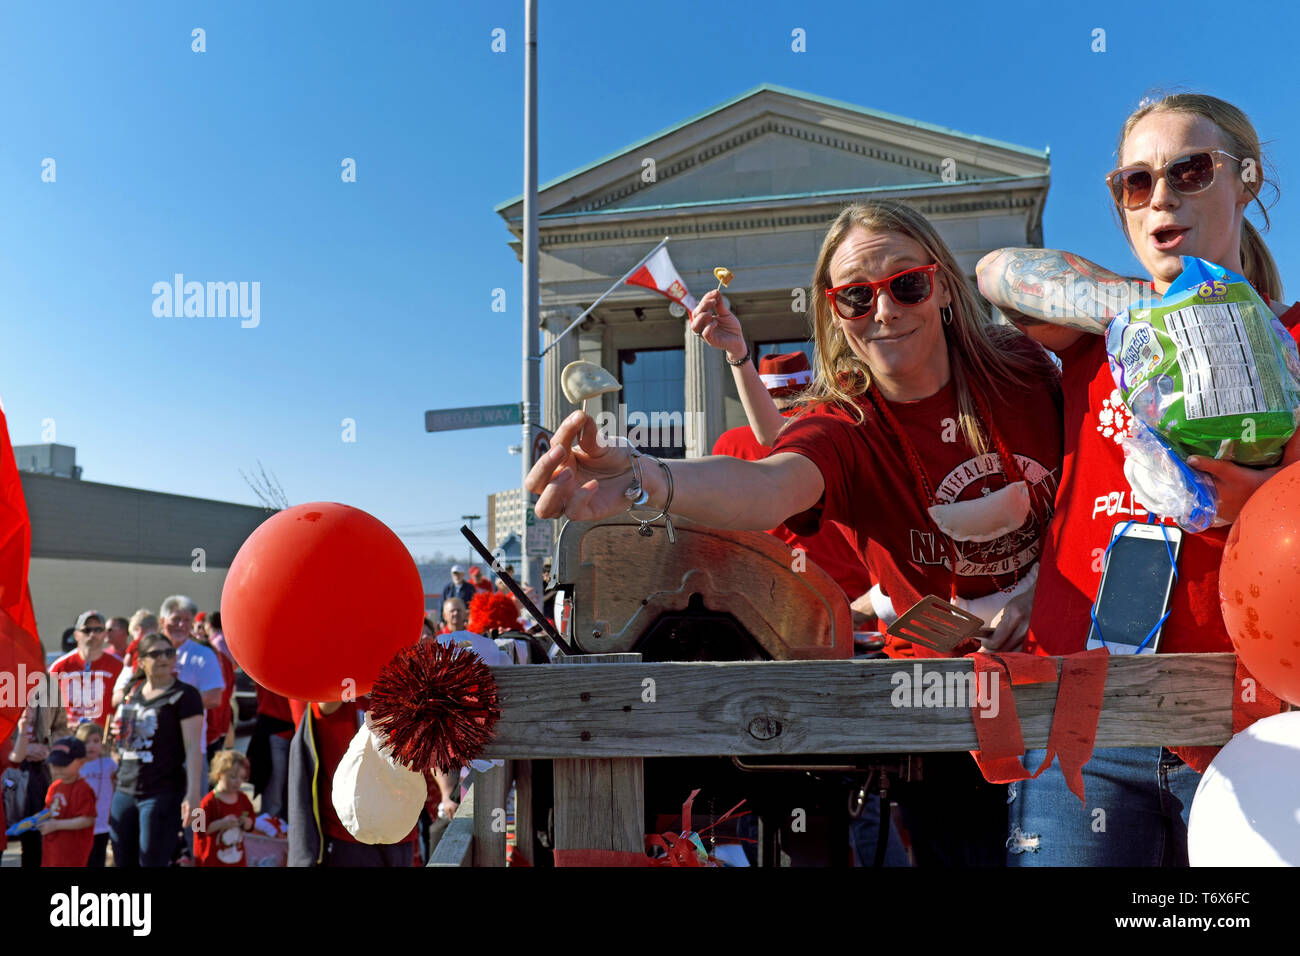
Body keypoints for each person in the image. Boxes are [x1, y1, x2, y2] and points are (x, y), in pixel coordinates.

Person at [528, 198, 1065, 865]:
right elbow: (769, 483)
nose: (885, 311)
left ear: (943, 285)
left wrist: (1051, 594)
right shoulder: (842, 424)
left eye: (907, 285)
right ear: (833, 312)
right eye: (856, 298)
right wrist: (644, 478)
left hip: (1072, 679)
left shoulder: (1029, 371)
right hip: (944, 710)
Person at [978, 92, 1299, 866]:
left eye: (1191, 171)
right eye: (1136, 180)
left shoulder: (1294, 339)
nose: (1162, 196)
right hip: (1086, 722)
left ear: (1246, 181)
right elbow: (999, 271)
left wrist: (1265, 504)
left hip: (1246, 721)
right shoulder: (1106, 330)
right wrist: (1171, 309)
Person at [711, 350, 878, 630]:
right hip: (850, 604)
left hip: (763, 607)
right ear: (809, 388)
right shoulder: (840, 432)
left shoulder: (730, 444)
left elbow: (719, 538)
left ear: (759, 391)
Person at [286, 696, 419, 867]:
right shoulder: (337, 694)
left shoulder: (403, 690)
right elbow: (327, 694)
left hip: (400, 830)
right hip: (350, 836)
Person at [109, 632, 204, 867]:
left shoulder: (185, 695)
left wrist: (193, 794)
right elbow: (119, 743)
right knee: (123, 860)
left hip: (162, 791)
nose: (163, 658)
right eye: (155, 654)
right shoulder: (132, 691)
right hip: (125, 788)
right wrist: (114, 736)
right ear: (141, 661)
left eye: (169, 653)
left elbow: (193, 747)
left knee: (152, 860)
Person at [7, 698, 69, 867]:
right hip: (6, 768)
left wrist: (48, 748)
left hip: (40, 770)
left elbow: (62, 727)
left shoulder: (49, 687)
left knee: (35, 837)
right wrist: (20, 748)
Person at [48, 610, 123, 730]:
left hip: (102, 741)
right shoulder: (60, 666)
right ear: (76, 635)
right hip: (68, 737)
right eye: (87, 630)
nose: (92, 634)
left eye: (98, 630)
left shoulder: (118, 666)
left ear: (104, 634)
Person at [37, 736, 95, 867]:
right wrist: (38, 819)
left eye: (63, 765)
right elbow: (48, 810)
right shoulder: (54, 786)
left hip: (72, 854)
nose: (57, 770)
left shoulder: (83, 789)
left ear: (81, 762)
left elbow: (87, 819)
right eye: (54, 765)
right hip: (52, 851)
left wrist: (56, 825)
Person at [193, 750, 255, 867]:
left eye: (241, 778)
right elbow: (198, 830)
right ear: (219, 775)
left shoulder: (243, 799)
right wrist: (222, 823)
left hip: (237, 858)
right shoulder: (208, 801)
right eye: (233, 777)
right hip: (212, 861)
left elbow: (251, 817)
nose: (238, 782)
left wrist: (247, 822)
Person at [74, 722, 116, 867]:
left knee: (99, 859)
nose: (91, 746)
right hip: (81, 823)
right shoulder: (76, 765)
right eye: (86, 742)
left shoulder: (108, 763)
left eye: (96, 741)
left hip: (102, 823)